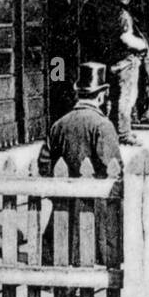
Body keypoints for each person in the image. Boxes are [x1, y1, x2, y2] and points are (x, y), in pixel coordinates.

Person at [37, 62, 122, 266]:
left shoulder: (59, 124)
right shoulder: (103, 125)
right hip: (96, 212)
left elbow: (44, 165)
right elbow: (114, 170)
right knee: (95, 261)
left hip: (64, 208)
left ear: (78, 93)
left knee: (62, 255)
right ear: (101, 96)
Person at [80, 0, 149, 146]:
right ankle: (124, 134)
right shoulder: (120, 11)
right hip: (124, 59)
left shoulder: (90, 5)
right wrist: (142, 45)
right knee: (125, 98)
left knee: (104, 97)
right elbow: (125, 37)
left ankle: (104, 131)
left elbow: (83, 33)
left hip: (101, 59)